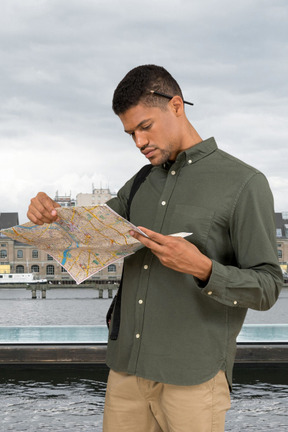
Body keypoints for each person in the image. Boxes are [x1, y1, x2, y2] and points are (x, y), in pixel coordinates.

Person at [27, 65, 283, 432]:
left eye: (145, 127)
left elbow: (268, 286)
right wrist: (49, 214)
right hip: (126, 373)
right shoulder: (140, 183)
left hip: (193, 377)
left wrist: (202, 268)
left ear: (176, 106)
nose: (139, 142)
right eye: (130, 133)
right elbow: (88, 232)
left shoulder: (244, 183)